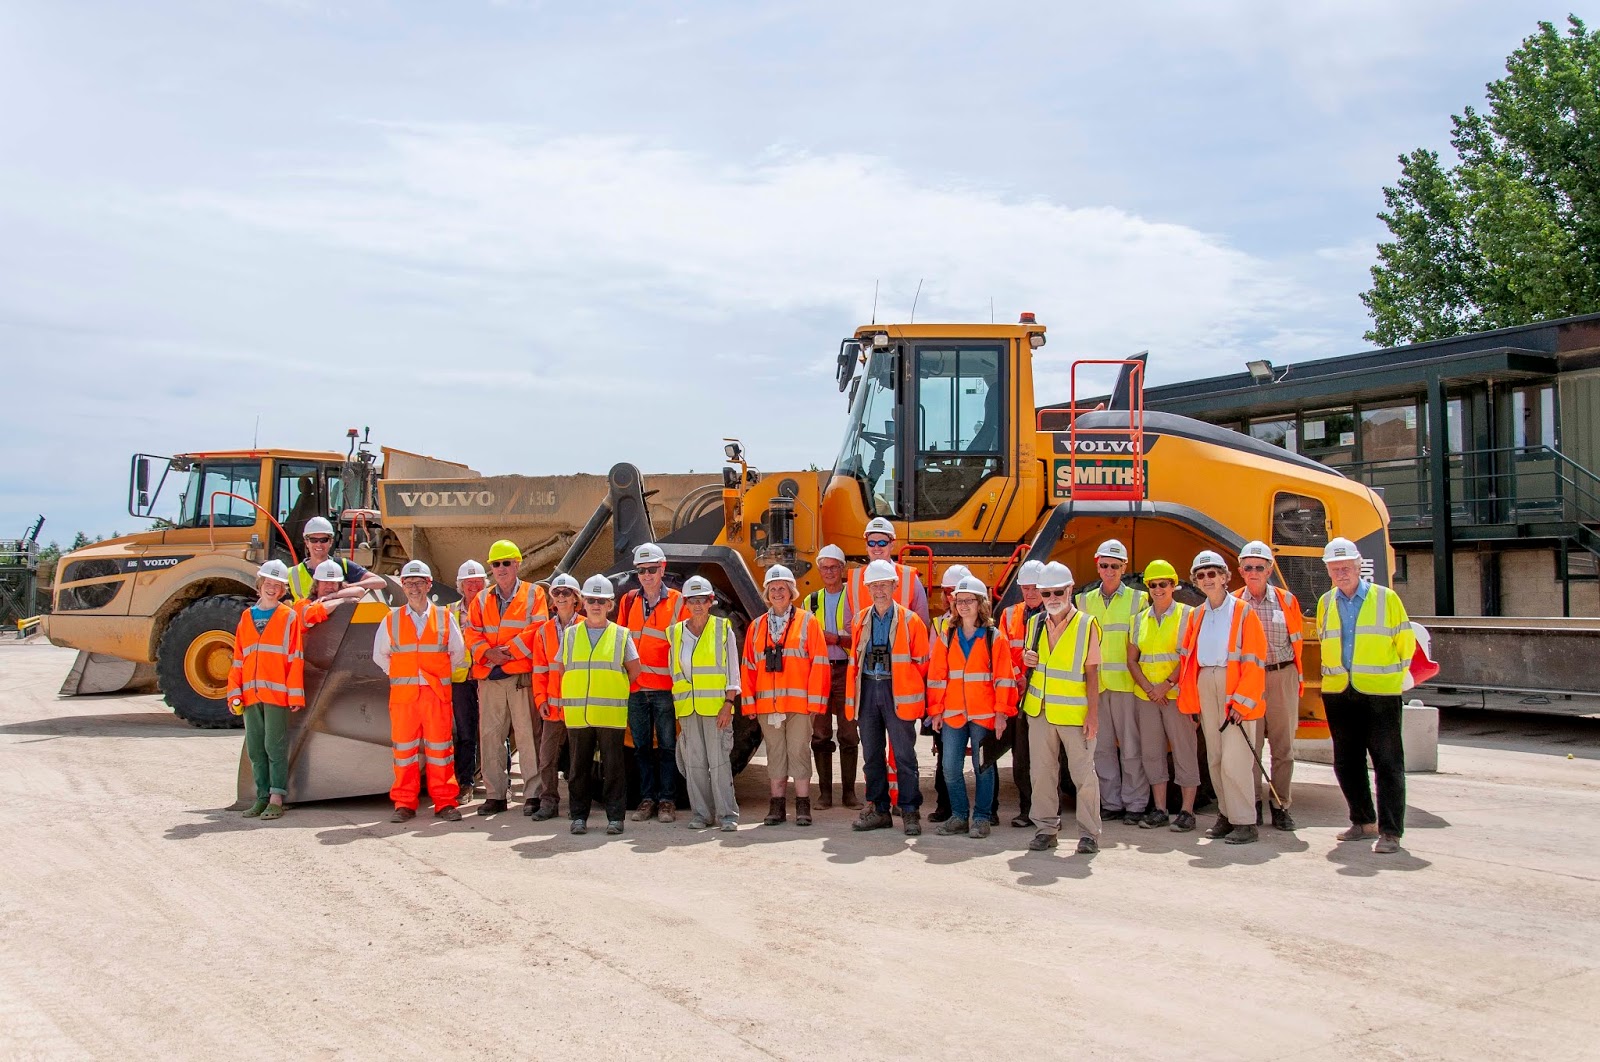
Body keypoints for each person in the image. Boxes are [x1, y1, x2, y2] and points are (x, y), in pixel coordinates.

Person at [1316, 537, 1415, 855]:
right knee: (1346, 762)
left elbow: (1405, 644)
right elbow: (1323, 639)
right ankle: (1362, 821)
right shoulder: (1326, 602)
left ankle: (1390, 832)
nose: (1341, 572)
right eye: (1335, 567)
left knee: (1387, 763)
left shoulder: (1386, 599)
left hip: (1379, 693)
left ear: (1359, 567)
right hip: (1339, 691)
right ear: (1328, 570)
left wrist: (1391, 678)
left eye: (1346, 566)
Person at [1176, 551, 1267, 845]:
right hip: (1207, 684)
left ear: (1226, 578)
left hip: (1233, 686)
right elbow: (1189, 660)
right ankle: (1226, 816)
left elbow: (1254, 660)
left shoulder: (1242, 612)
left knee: (1235, 759)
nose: (1207, 579)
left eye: (1212, 573)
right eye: (1201, 575)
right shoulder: (1197, 614)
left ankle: (1245, 822)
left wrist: (1242, 702)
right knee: (1214, 757)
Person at [372, 560, 466, 823]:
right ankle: (404, 803)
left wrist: (430, 674)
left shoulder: (445, 618)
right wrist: (404, 674)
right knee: (404, 753)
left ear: (429, 585)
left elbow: (457, 654)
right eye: (409, 583)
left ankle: (445, 802)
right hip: (404, 699)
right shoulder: (391, 620)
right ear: (403, 586)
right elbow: (381, 656)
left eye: (419, 583)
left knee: (441, 751)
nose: (414, 588)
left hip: (435, 695)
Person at [1019, 561, 1104, 855]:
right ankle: (1045, 829)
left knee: (1084, 776)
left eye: (1058, 592)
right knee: (1041, 774)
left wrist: (1093, 715)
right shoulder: (1035, 623)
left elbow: (1092, 674)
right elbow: (1033, 660)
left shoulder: (1086, 624)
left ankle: (1089, 834)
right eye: (1046, 594)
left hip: (1075, 714)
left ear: (1070, 590)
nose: (1052, 599)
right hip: (1040, 711)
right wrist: (1028, 658)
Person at [549, 574, 641, 836]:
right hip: (579, 714)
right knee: (578, 769)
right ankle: (578, 816)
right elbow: (562, 667)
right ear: (583, 603)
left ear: (610, 605)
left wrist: (612, 688)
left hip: (610, 713)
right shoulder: (570, 635)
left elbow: (634, 670)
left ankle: (615, 817)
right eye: (591, 600)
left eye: (601, 601)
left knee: (614, 768)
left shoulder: (621, 635)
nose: (596, 605)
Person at [464, 539, 548, 816]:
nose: (501, 569)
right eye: (496, 564)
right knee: (490, 737)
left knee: (527, 737)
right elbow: (472, 632)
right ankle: (495, 795)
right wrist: (488, 653)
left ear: (517, 564)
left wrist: (507, 653)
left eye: (506, 563)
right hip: (490, 677)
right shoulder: (481, 598)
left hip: (519, 676)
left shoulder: (534, 594)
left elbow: (538, 629)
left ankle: (533, 795)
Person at [928, 576, 1017, 838]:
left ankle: (981, 818)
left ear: (981, 604)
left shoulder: (993, 637)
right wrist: (936, 710)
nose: (963, 605)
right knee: (950, 768)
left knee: (983, 769)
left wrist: (1001, 713)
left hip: (984, 714)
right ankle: (958, 815)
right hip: (953, 714)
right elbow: (937, 676)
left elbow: (1004, 678)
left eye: (969, 600)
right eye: (959, 601)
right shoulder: (948, 634)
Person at [847, 559, 931, 837]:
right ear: (867, 588)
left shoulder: (910, 620)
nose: (879, 590)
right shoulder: (860, 619)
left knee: (905, 757)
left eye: (884, 584)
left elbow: (922, 662)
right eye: (874, 585)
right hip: (869, 688)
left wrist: (908, 688)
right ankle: (879, 810)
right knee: (872, 755)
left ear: (895, 586)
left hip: (898, 691)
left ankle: (909, 811)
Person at [742, 565, 830, 826]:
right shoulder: (757, 627)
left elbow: (820, 663)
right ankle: (776, 807)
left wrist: (815, 703)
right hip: (768, 706)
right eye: (773, 588)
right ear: (767, 593)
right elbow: (747, 667)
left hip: (799, 706)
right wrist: (749, 705)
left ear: (791, 592)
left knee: (799, 752)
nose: (777, 592)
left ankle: (803, 807)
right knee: (775, 754)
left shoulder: (807, 621)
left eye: (782, 588)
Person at [1234, 540, 1305, 831]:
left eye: (1259, 567)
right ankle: (1252, 805)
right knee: (1251, 746)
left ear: (1269, 569)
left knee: (1283, 746)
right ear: (1240, 570)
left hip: (1281, 676)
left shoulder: (1287, 601)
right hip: (1249, 680)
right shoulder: (1234, 603)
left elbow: (1296, 640)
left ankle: (1281, 805)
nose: (1253, 572)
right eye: (1248, 567)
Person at [227, 560, 306, 820]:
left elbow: (295, 657)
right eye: (268, 584)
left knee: (275, 746)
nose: (272, 589)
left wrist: (295, 694)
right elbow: (238, 659)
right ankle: (261, 797)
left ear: (282, 589)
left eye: (277, 585)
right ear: (260, 585)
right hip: (250, 695)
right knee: (255, 749)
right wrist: (234, 692)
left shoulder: (288, 616)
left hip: (277, 694)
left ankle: (276, 797)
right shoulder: (246, 617)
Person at [618, 543, 690, 824]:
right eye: (641, 570)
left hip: (664, 690)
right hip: (636, 689)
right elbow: (622, 642)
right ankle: (647, 799)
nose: (647, 575)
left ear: (662, 569)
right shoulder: (628, 601)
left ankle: (667, 801)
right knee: (642, 748)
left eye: (651, 569)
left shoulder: (678, 601)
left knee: (669, 748)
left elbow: (684, 646)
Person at [1127, 560, 1199, 832]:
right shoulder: (1138, 620)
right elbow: (1133, 660)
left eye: (1163, 584)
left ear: (1173, 586)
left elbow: (1189, 657)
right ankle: (1160, 809)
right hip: (1147, 698)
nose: (1158, 589)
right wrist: (1149, 689)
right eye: (1153, 585)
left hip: (1176, 696)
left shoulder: (1188, 615)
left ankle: (1187, 811)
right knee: (1152, 754)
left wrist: (1166, 685)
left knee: (1184, 751)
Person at [669, 576, 742, 831]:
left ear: (711, 602)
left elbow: (733, 671)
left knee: (720, 763)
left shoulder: (723, 629)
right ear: (685, 603)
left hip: (716, 709)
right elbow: (675, 673)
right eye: (693, 600)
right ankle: (701, 814)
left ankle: (727, 815)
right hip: (688, 709)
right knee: (694, 763)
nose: (698, 605)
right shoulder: (675, 632)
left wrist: (728, 704)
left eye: (703, 600)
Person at [803, 544, 860, 809]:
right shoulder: (810, 601)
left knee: (849, 733)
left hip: (847, 670)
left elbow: (862, 639)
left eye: (834, 567)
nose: (829, 572)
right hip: (820, 672)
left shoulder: (855, 598)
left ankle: (849, 793)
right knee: (821, 734)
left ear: (843, 569)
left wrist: (836, 639)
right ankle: (825, 794)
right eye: (824, 567)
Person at [527, 573, 583, 821]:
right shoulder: (544, 632)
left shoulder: (586, 627)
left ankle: (578, 802)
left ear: (575, 599)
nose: (561, 597)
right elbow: (538, 670)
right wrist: (540, 700)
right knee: (547, 758)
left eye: (566, 593)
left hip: (579, 707)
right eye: (557, 594)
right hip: (552, 707)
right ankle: (548, 801)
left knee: (578, 758)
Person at [998, 558, 1047, 827]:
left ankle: (1049, 811)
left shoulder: (1054, 614)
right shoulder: (1008, 614)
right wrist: (1018, 679)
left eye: (1035, 588)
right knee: (1022, 757)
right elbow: (1004, 651)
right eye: (1025, 588)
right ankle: (1026, 809)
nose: (1030, 593)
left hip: (1045, 695)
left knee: (1046, 759)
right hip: (1018, 695)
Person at [927, 564, 971, 825]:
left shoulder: (985, 627)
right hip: (947, 704)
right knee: (945, 758)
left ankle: (990, 810)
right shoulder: (938, 625)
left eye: (956, 592)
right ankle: (945, 806)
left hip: (976, 704)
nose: (951, 598)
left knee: (982, 760)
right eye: (947, 592)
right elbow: (933, 670)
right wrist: (934, 709)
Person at [449, 559, 488, 806]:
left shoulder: (492, 608)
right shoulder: (448, 611)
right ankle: (466, 784)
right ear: (460, 585)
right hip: (461, 680)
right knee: (465, 733)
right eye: (468, 582)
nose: (473, 586)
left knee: (494, 733)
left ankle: (498, 784)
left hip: (486, 678)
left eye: (477, 582)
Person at [846, 517, 931, 625]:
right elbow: (848, 623)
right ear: (866, 546)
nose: (876, 547)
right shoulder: (854, 579)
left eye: (882, 543)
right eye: (872, 543)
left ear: (892, 544)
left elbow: (922, 622)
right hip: (865, 641)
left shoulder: (909, 578)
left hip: (901, 641)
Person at [286, 516, 386, 602]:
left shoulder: (343, 565)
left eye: (323, 540)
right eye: (314, 540)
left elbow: (380, 582)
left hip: (339, 621)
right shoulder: (292, 573)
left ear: (331, 542)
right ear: (307, 542)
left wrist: (350, 586)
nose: (319, 544)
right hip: (306, 621)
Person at [291, 559, 353, 631]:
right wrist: (343, 600)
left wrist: (332, 596)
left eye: (333, 583)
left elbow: (360, 591)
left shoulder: (336, 603)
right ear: (317, 585)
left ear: (339, 585)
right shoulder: (302, 605)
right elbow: (318, 611)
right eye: (325, 582)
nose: (330, 586)